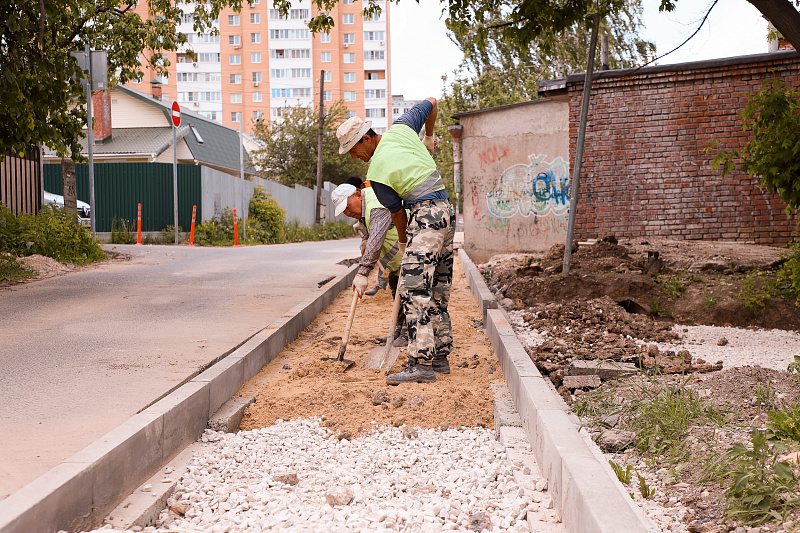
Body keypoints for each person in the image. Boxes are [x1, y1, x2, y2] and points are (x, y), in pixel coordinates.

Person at [336, 97, 455, 385]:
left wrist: (404, 242)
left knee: (414, 289)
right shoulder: (402, 127)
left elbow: (397, 213)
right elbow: (431, 102)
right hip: (447, 212)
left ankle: (421, 364)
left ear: (366, 138)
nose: (354, 157)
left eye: (353, 150)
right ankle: (439, 358)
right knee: (437, 287)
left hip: (424, 217)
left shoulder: (377, 173)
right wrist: (428, 137)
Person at [331, 183, 407, 345]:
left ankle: (407, 335)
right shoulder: (367, 204)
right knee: (398, 293)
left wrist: (363, 272)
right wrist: (365, 235)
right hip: (398, 263)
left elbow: (376, 240)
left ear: (358, 195)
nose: (348, 212)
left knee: (409, 296)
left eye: (348, 206)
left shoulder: (376, 204)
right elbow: (373, 232)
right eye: (344, 210)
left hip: (409, 257)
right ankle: (397, 332)